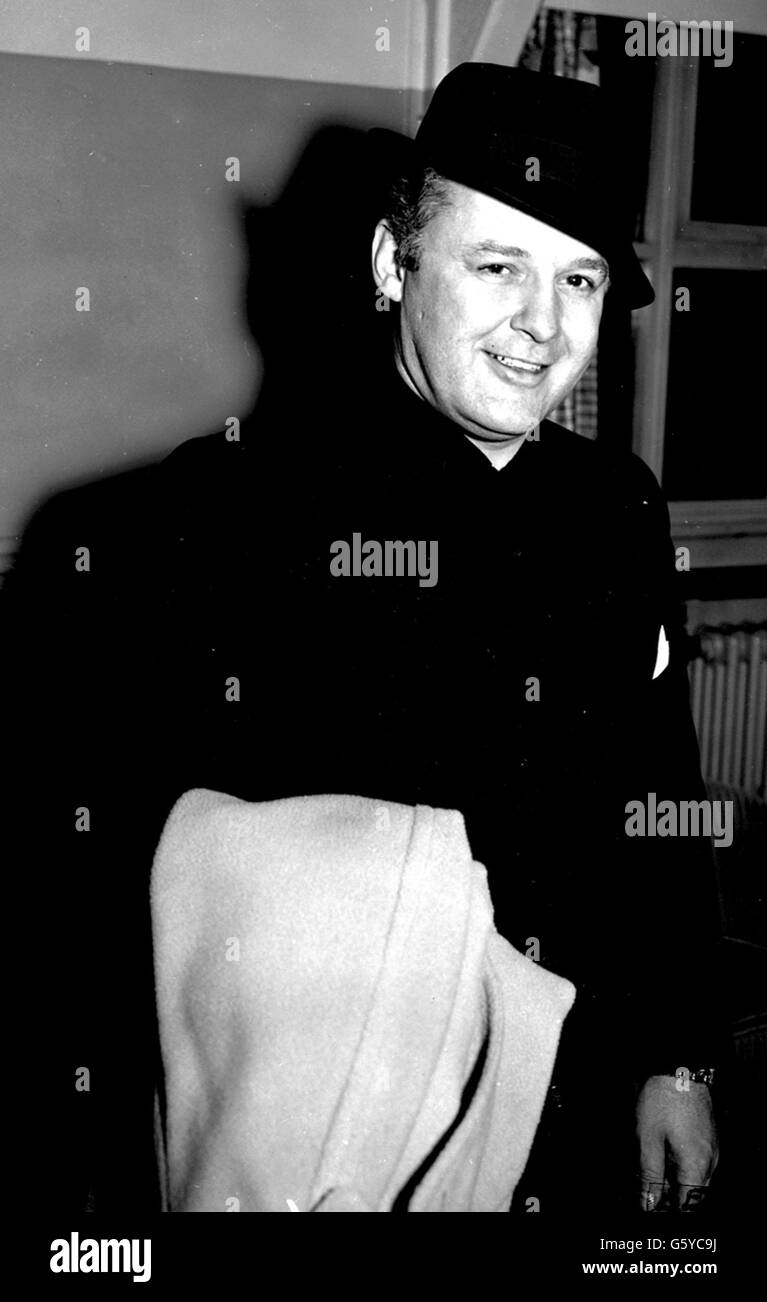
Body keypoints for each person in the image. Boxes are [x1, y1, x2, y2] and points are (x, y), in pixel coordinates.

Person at [5, 62, 724, 1215]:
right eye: (498, 267)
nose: (542, 327)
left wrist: (676, 1054)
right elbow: (91, 905)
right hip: (343, 1148)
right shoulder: (211, 524)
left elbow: (659, 794)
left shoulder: (616, 509)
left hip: (576, 1095)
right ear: (395, 265)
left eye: (578, 280)